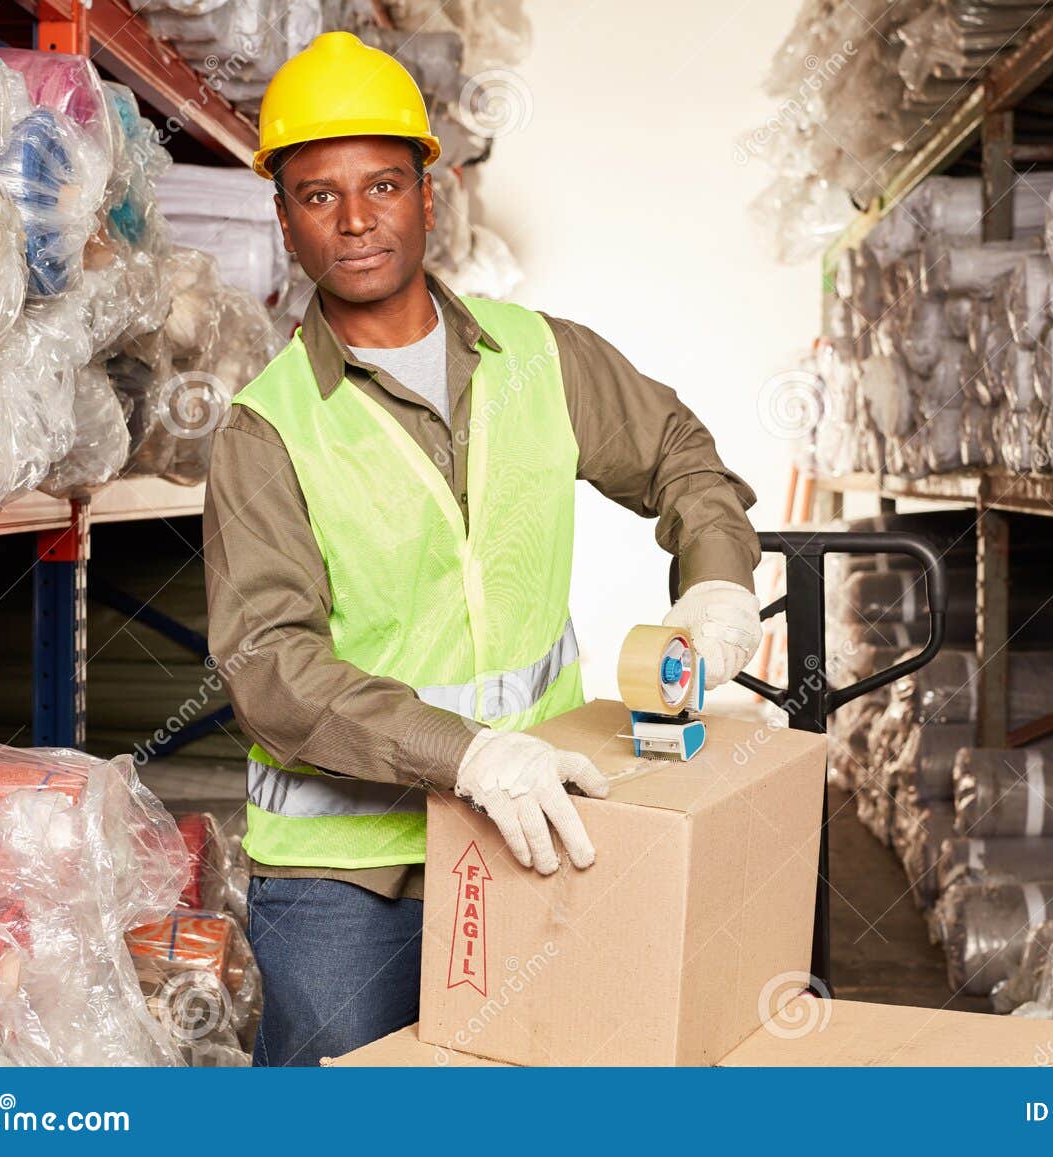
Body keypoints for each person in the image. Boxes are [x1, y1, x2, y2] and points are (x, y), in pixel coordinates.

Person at [202, 32, 763, 1066]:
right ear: (283, 220)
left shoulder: (539, 355)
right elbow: (270, 667)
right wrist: (466, 754)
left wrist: (718, 583)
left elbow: (681, 455)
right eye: (319, 195)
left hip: (532, 833)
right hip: (345, 885)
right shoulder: (264, 428)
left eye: (382, 183)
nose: (357, 219)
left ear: (432, 189)